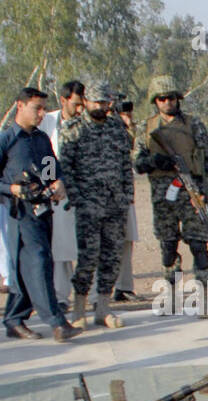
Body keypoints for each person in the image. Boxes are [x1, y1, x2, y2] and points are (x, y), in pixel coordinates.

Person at [1, 87, 81, 341]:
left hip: (44, 210)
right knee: (39, 260)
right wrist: (11, 188)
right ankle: (57, 322)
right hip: (20, 213)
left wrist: (58, 183)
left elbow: (50, 170)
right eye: (37, 108)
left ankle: (14, 319)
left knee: (31, 266)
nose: (41, 114)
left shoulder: (41, 139)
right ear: (20, 106)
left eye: (44, 108)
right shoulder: (6, 140)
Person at [134, 74, 208, 312]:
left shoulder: (193, 124)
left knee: (198, 244)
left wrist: (202, 191)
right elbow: (137, 163)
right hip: (163, 196)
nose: (167, 102)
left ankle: (204, 298)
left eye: (171, 97)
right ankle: (171, 294)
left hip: (190, 193)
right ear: (155, 101)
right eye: (162, 98)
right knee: (168, 246)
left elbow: (207, 160)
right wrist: (153, 161)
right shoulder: (147, 128)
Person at [60, 80, 132, 330]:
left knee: (111, 258)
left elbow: (125, 164)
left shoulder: (116, 128)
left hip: (115, 204)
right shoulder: (73, 129)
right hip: (89, 205)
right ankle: (79, 309)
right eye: (97, 102)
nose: (102, 106)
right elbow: (65, 169)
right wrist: (79, 199)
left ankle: (103, 308)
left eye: (105, 102)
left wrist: (127, 196)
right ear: (85, 102)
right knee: (88, 258)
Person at [38, 80, 82, 307]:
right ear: (64, 100)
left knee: (88, 248)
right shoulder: (47, 122)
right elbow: (44, 154)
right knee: (60, 248)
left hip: (85, 192)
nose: (79, 109)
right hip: (58, 192)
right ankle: (61, 297)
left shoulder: (87, 123)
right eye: (75, 104)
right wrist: (51, 180)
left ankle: (92, 298)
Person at [112, 96, 138, 302]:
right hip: (104, 196)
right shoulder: (108, 130)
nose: (127, 115)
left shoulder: (129, 131)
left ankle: (124, 286)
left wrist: (129, 127)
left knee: (127, 239)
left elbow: (135, 153)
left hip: (125, 194)